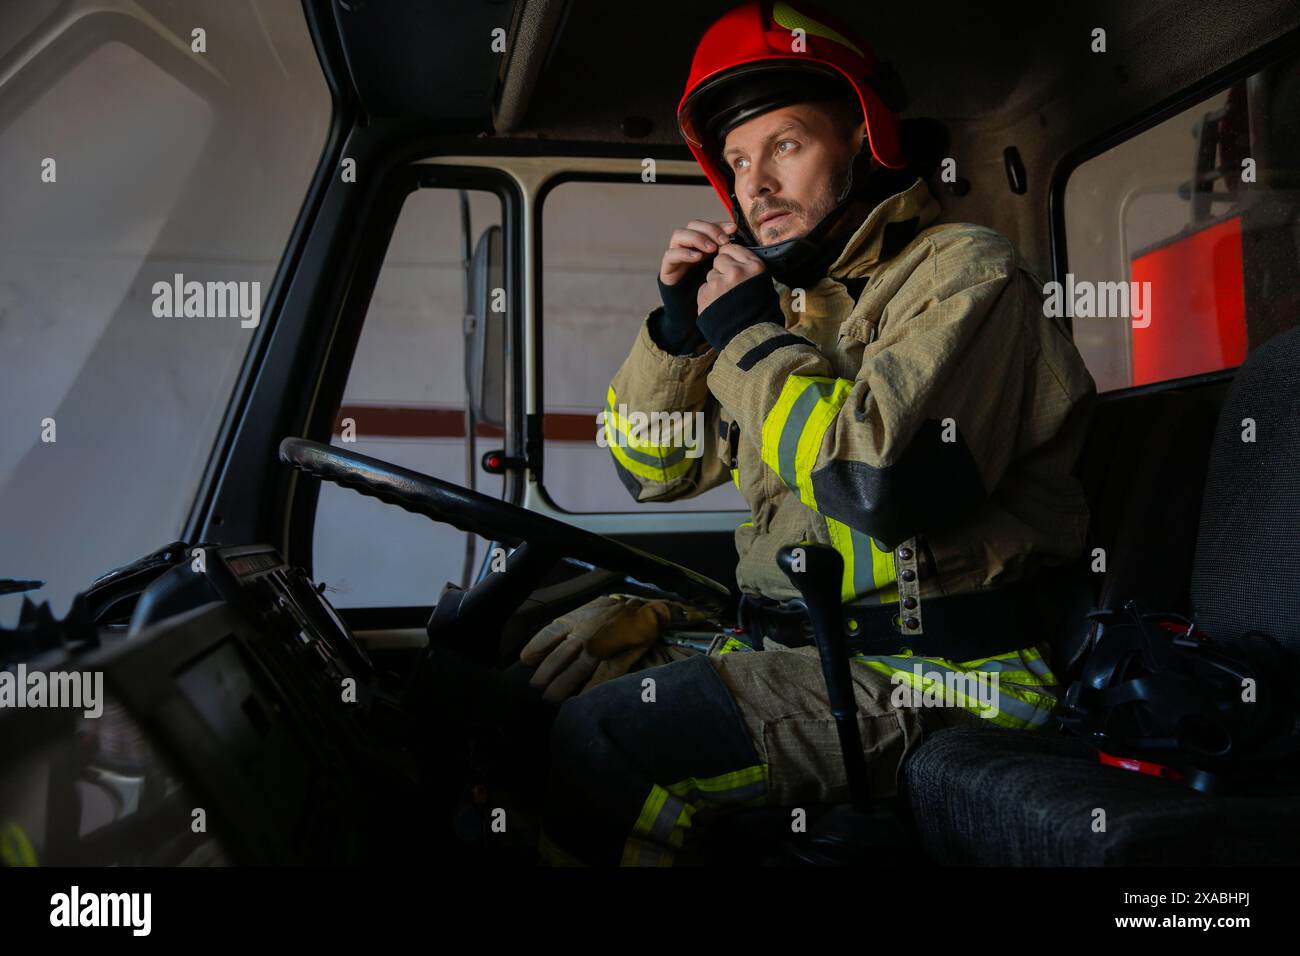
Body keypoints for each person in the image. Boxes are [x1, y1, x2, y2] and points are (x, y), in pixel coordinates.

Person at [523, 0, 1098, 866]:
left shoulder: (962, 273)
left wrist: (747, 335)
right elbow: (651, 469)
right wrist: (678, 337)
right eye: (737, 160)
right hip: (802, 645)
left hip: (952, 672)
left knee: (607, 743)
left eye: (785, 146)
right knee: (519, 697)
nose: (754, 185)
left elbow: (881, 483)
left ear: (863, 138)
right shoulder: (789, 308)